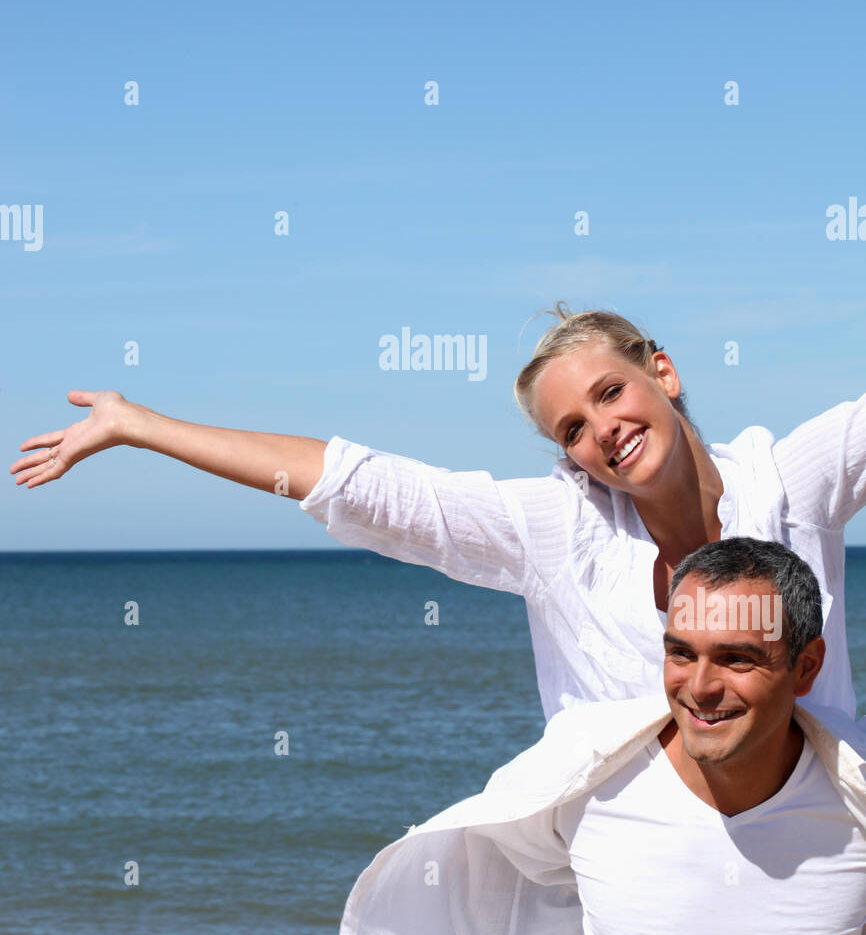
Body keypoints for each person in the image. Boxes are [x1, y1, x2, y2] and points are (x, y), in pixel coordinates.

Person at [9, 306, 866, 715]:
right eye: (573, 428)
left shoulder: (787, 483)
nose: (604, 430)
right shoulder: (557, 531)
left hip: (817, 883)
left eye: (612, 393)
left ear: (663, 374)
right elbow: (364, 486)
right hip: (634, 902)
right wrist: (141, 427)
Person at [327, 538, 866, 935]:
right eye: (681, 653)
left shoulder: (853, 805)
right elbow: (498, 874)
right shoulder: (588, 776)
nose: (700, 687)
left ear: (806, 667)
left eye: (736, 659)